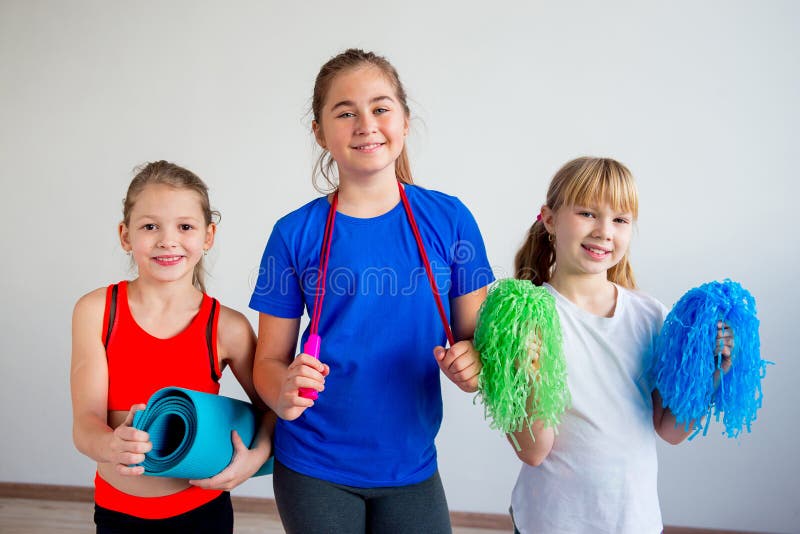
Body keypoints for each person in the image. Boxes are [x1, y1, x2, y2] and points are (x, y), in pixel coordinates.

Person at [249, 48, 494, 533]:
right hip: (313, 463)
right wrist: (284, 390)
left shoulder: (450, 220)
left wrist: (473, 366)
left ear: (403, 119)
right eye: (345, 112)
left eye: (381, 107)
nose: (366, 123)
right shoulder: (292, 234)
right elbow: (267, 363)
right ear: (320, 132)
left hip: (412, 464)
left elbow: (477, 343)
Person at [508, 157, 733, 534]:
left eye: (620, 220)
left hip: (634, 521)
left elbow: (671, 430)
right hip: (550, 521)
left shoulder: (650, 315)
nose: (604, 231)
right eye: (587, 213)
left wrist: (712, 372)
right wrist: (528, 372)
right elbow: (533, 450)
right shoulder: (527, 318)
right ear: (549, 219)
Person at [70, 161, 274, 533]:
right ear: (125, 235)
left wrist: (254, 459)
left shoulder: (227, 327)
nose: (168, 240)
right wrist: (110, 445)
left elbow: (271, 407)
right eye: (150, 226)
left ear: (208, 236)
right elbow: (85, 424)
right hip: (118, 512)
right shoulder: (97, 311)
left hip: (202, 512)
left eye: (185, 227)